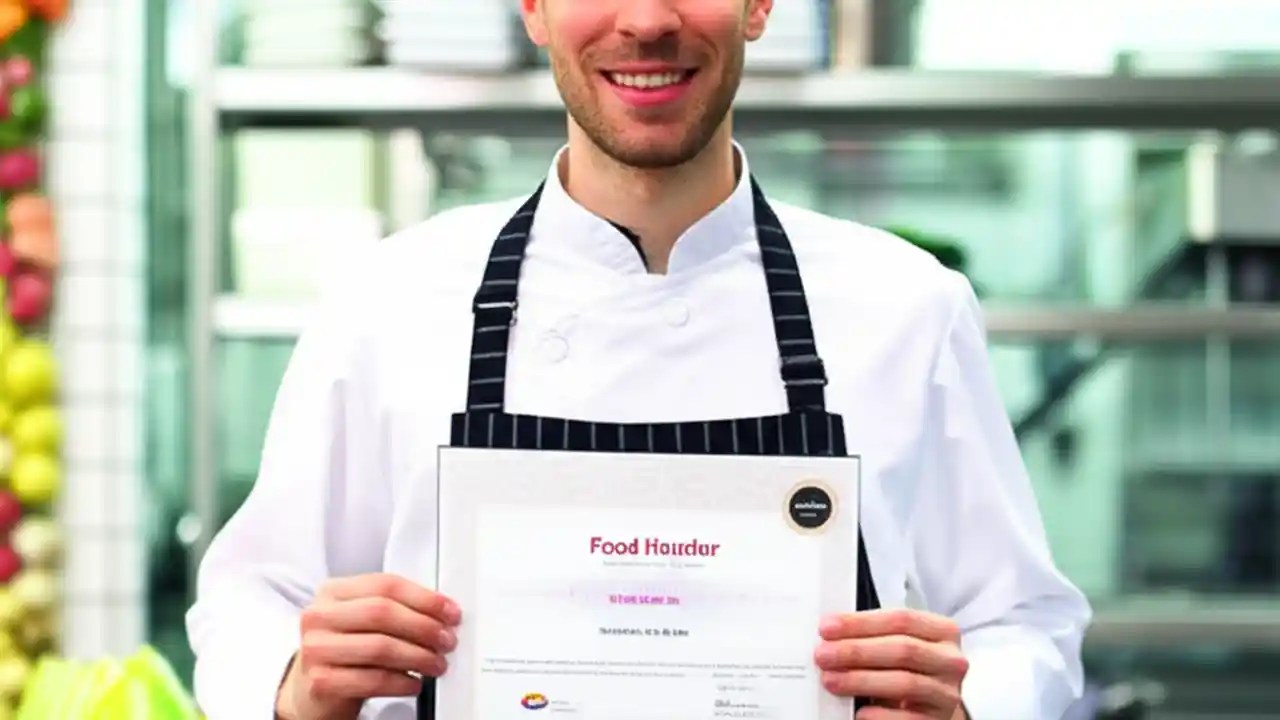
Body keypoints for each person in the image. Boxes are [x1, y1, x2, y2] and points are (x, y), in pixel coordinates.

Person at [186, 1, 1093, 719]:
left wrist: (966, 703)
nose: (648, 19)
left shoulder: (907, 306)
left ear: (759, 4)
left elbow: (1023, 625)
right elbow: (250, 601)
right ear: (533, 7)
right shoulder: (387, 300)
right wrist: (298, 683)